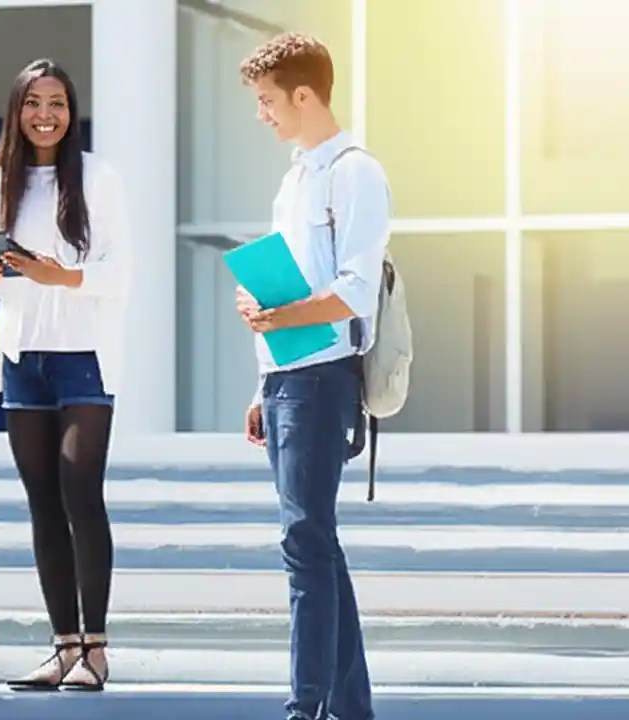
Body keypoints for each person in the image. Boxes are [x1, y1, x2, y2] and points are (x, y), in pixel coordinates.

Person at [0, 58, 131, 692]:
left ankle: (96, 648)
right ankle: (62, 646)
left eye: (56, 102)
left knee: (80, 495)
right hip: (23, 357)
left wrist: (58, 275)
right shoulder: (6, 179)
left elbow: (122, 274)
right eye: (34, 102)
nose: (45, 114)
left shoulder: (98, 177)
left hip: (84, 356)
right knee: (41, 504)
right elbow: (15, 284)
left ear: (71, 110)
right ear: (17, 110)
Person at [235, 34, 391, 720]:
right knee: (316, 542)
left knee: (303, 542)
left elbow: (354, 289)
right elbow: (291, 289)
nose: (261, 114)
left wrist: (280, 315)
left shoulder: (354, 173)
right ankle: (348, 709)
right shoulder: (295, 177)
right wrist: (261, 379)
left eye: (268, 101)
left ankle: (306, 707)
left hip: (325, 381)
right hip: (288, 380)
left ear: (304, 95)